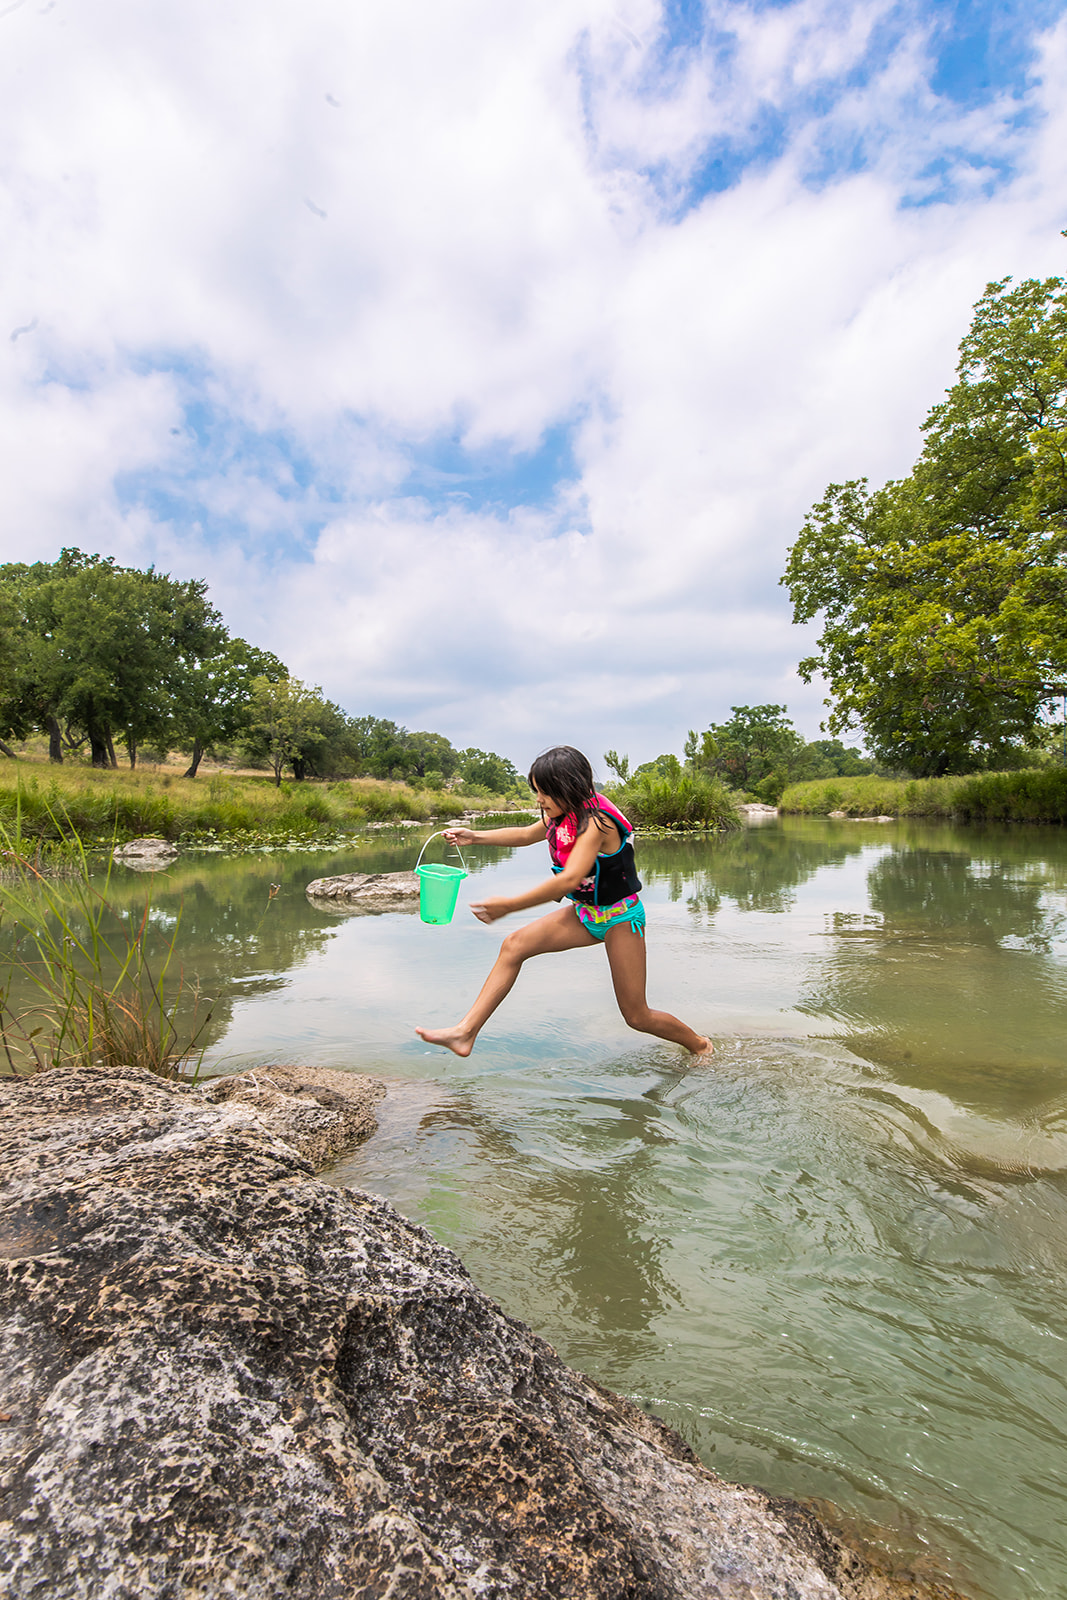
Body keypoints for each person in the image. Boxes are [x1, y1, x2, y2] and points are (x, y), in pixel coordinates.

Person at [415, 745, 712, 1058]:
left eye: (544, 792)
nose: (539, 800)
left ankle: (700, 1045)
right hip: (585, 915)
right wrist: (474, 837)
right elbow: (524, 835)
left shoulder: (596, 823)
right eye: (537, 791)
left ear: (567, 788)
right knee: (514, 946)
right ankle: (465, 1033)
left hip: (621, 920)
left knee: (637, 1016)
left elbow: (570, 879)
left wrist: (510, 905)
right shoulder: (562, 815)